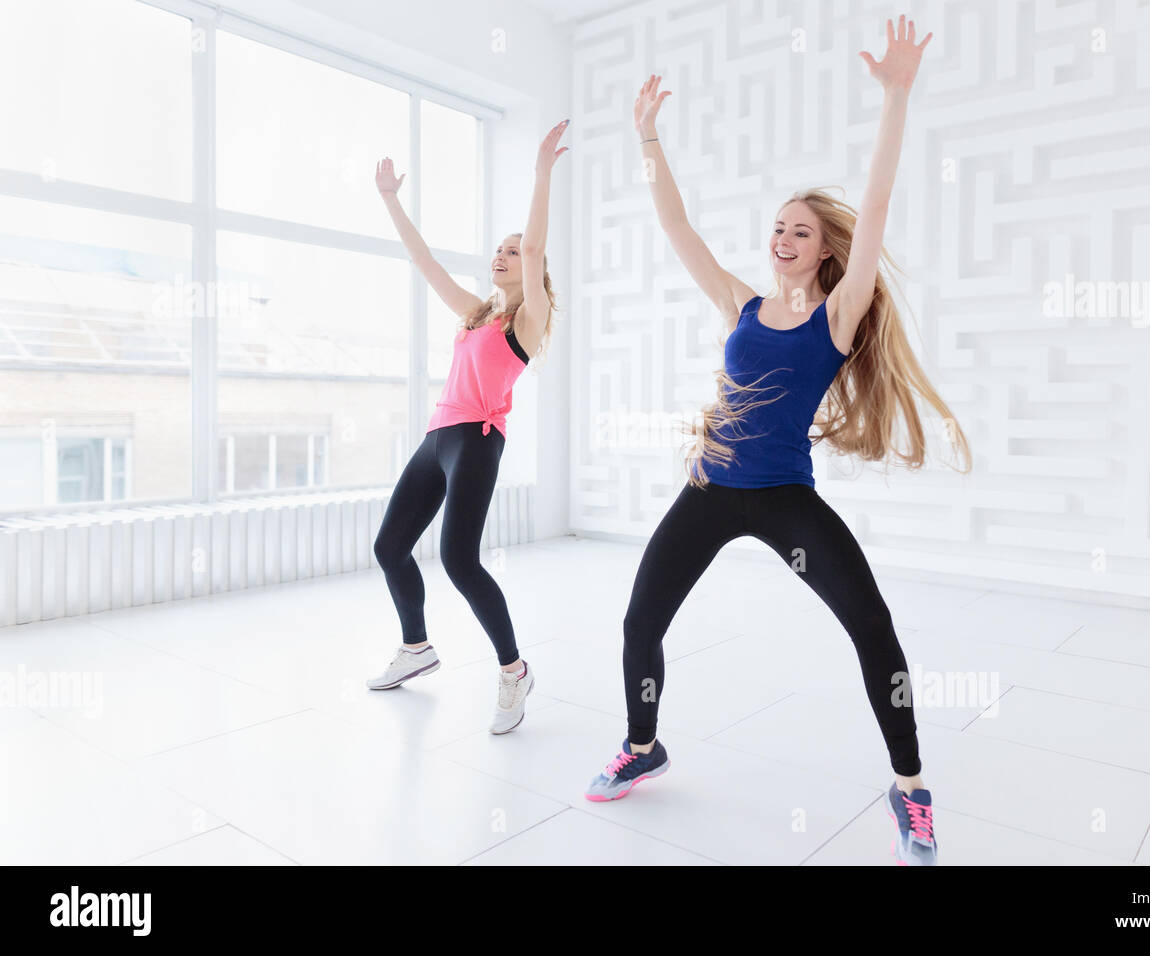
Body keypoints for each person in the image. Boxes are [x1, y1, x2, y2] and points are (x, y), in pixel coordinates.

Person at [585, 19, 970, 866]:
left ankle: (911, 789)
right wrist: (648, 137)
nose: (782, 239)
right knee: (640, 618)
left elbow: (874, 208)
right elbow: (677, 224)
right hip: (710, 490)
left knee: (872, 626)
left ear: (825, 251)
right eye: (776, 228)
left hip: (786, 496)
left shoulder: (839, 315)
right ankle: (642, 744)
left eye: (799, 231)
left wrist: (897, 98)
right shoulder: (741, 304)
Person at [365, 120, 568, 735]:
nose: (503, 256)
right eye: (499, 251)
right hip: (436, 439)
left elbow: (535, 250)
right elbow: (423, 261)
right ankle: (417, 647)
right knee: (389, 548)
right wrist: (391, 199)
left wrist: (541, 174)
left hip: (478, 441)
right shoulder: (477, 314)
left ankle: (513, 671)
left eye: (512, 251)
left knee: (459, 559)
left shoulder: (527, 321)